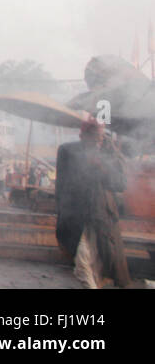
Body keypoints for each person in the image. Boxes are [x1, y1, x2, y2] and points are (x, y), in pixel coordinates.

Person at [56, 120, 131, 289]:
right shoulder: (68, 151)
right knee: (82, 260)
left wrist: (103, 167)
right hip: (76, 215)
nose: (98, 141)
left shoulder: (110, 154)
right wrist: (60, 213)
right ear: (83, 136)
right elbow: (60, 186)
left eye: (101, 137)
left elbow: (121, 184)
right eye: (94, 137)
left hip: (103, 216)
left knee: (99, 264)